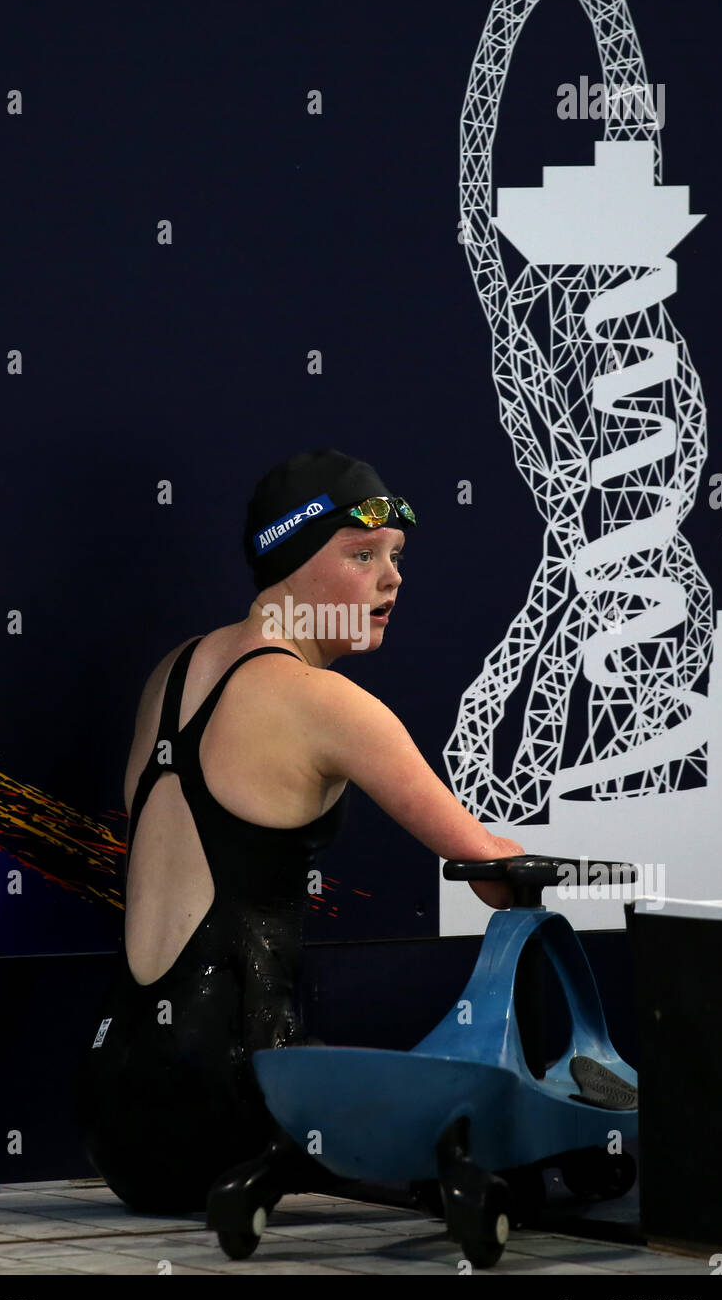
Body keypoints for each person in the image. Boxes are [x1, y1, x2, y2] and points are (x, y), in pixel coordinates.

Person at [74, 448, 523, 1213]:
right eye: (361, 556)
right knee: (480, 1110)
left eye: (395, 557)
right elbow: (489, 870)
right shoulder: (325, 703)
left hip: (112, 1105)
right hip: (238, 1108)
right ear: (292, 566)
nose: (391, 580)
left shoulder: (173, 670)